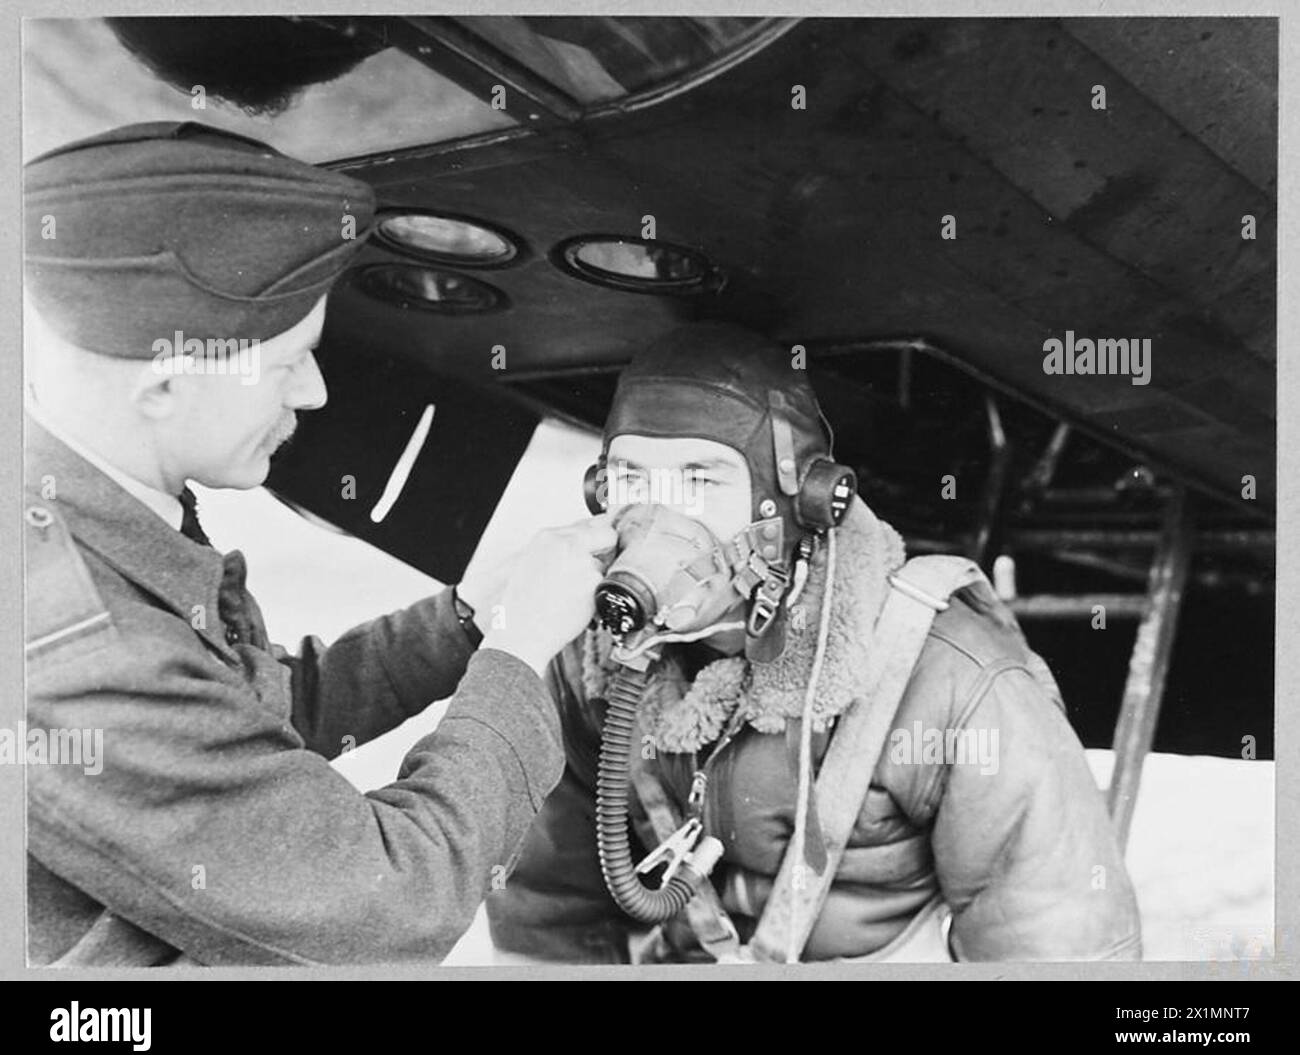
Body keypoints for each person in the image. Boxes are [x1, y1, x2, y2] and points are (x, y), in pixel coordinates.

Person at [22, 121, 614, 966]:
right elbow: (392, 903)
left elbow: (229, 724)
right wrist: (521, 655)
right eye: (288, 360)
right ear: (164, 383)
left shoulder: (87, 514)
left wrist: (469, 620)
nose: (317, 389)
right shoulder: (72, 642)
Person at [485, 321, 1142, 963]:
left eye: (699, 481)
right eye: (631, 480)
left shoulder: (947, 675)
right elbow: (545, 918)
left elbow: (1058, 941)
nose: (661, 519)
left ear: (799, 504)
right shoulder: (589, 661)